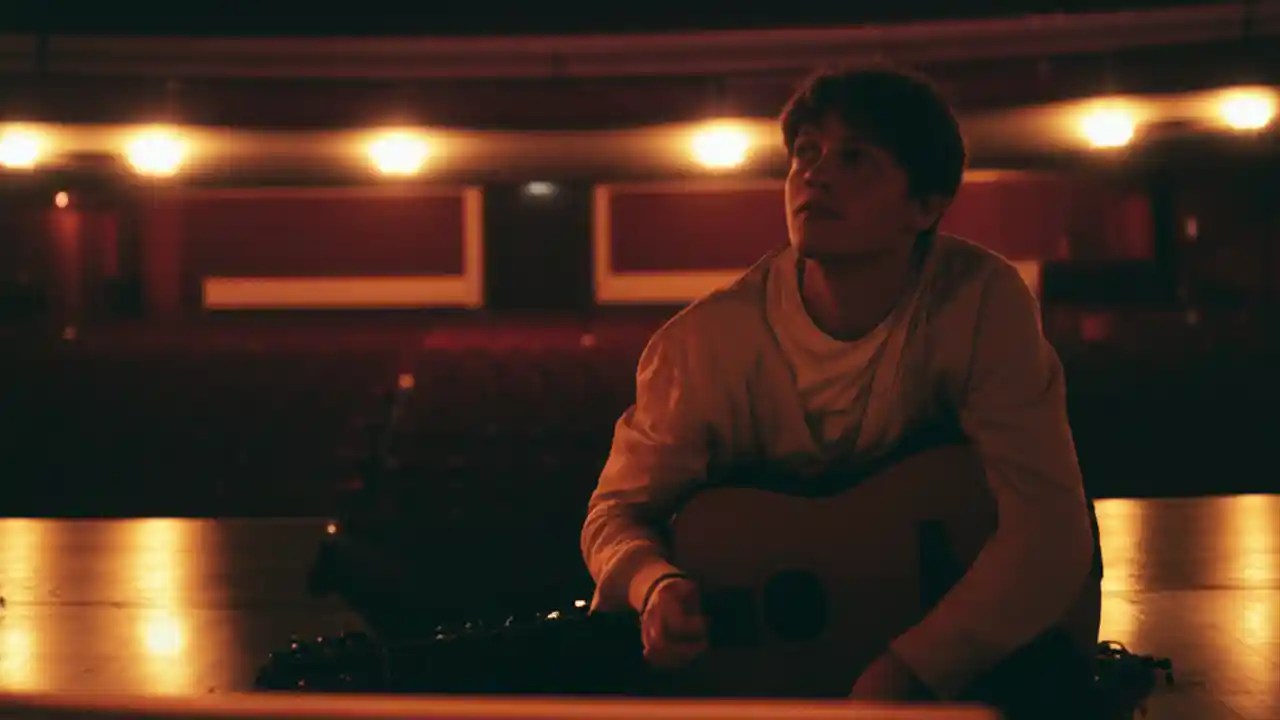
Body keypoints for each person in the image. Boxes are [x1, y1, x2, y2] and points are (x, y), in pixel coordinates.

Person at [580, 63, 1100, 708]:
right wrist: (654, 586)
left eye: (856, 158)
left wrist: (913, 667)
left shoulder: (981, 304)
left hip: (966, 681)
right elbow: (615, 514)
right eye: (806, 153)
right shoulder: (700, 347)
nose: (815, 174)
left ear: (927, 204)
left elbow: (1049, 529)